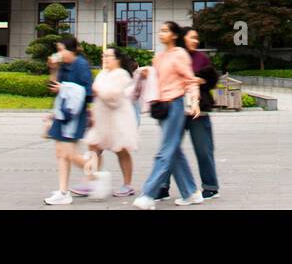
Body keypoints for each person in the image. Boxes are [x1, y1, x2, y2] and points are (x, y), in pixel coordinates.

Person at [132, 22, 201, 209]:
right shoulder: (158, 57)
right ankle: (191, 193)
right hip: (161, 107)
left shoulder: (180, 54)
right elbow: (158, 81)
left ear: (174, 35)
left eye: (165, 31)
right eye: (160, 30)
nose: (161, 33)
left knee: (166, 150)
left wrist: (194, 101)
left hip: (176, 105)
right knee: (174, 150)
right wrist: (147, 74)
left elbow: (190, 80)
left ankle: (148, 193)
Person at [158, 28, 220, 201]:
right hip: (176, 109)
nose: (195, 41)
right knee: (170, 148)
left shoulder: (201, 58)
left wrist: (201, 80)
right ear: (182, 38)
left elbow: (212, 78)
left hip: (197, 111)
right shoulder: (173, 55)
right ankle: (162, 187)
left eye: (197, 38)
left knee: (203, 149)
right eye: (191, 37)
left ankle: (210, 187)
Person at [43, 35, 94, 206]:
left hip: (74, 114)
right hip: (61, 111)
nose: (59, 53)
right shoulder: (63, 65)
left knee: (68, 153)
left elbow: (88, 93)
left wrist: (64, 88)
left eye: (61, 50)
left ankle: (93, 173)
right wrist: (53, 69)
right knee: (60, 153)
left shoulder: (81, 65)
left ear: (70, 50)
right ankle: (63, 191)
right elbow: (53, 87)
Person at [85, 47, 140, 198]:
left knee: (121, 150)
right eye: (104, 55)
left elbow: (113, 97)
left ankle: (127, 184)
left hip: (118, 120)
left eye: (109, 56)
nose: (105, 58)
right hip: (102, 120)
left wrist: (98, 90)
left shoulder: (122, 75)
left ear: (117, 59)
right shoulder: (103, 73)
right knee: (93, 147)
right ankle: (90, 181)